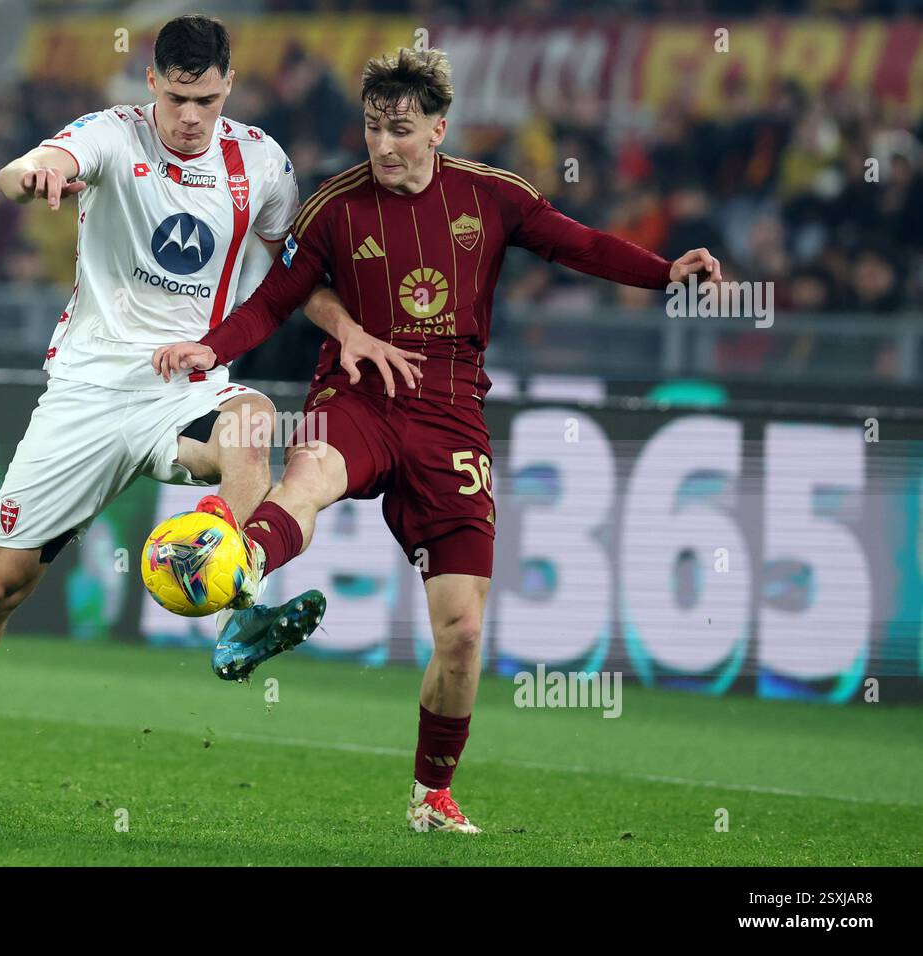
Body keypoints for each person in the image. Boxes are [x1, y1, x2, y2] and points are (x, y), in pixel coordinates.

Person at [153, 47, 722, 833]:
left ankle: (431, 795)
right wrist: (211, 349)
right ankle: (243, 566)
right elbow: (275, 299)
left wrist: (664, 274)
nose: (383, 145)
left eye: (401, 129)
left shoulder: (492, 196)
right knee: (310, 473)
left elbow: (579, 244)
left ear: (437, 129)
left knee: (462, 632)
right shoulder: (335, 207)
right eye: (372, 127)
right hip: (357, 391)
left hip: (451, 409)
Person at [0, 15, 350, 808]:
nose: (190, 117)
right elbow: (26, 166)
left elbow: (293, 275)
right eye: (177, 97)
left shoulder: (263, 164)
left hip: (184, 388)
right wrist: (36, 177)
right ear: (150, 83)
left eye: (206, 100)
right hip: (84, 392)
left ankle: (239, 608)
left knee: (252, 421)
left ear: (229, 89)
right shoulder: (112, 135)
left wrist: (351, 333)